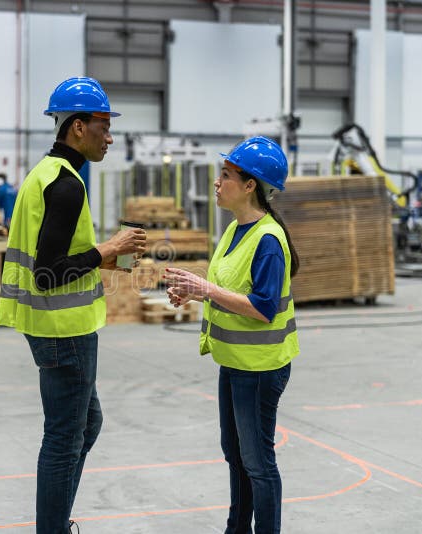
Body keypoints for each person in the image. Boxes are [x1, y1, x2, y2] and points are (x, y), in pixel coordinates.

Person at [0, 76, 147, 534]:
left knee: (86, 425)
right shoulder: (65, 185)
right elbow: (48, 272)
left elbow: (55, 259)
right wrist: (105, 251)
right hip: (64, 331)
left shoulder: (43, 174)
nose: (110, 136)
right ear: (77, 127)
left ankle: (56, 519)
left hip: (52, 328)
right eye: (103, 125)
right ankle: (53, 527)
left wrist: (104, 258)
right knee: (65, 437)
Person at [164, 136, 300, 534]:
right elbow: (228, 287)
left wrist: (205, 289)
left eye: (225, 176)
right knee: (236, 455)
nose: (217, 183)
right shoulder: (235, 230)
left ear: (250, 185)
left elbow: (263, 307)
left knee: (258, 462)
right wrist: (193, 290)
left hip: (259, 368)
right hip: (234, 362)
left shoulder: (268, 240)